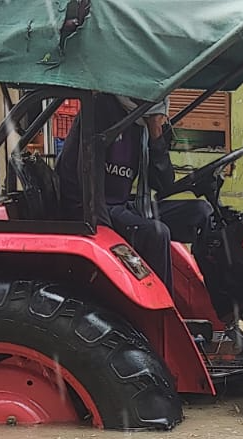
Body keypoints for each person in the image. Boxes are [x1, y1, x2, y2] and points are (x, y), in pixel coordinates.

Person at [57, 94, 212, 293]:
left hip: (126, 205)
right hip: (91, 209)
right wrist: (104, 236)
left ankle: (217, 302)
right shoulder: (102, 109)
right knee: (156, 234)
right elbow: (88, 181)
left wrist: (156, 137)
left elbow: (163, 184)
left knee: (201, 212)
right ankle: (160, 315)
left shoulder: (142, 121)